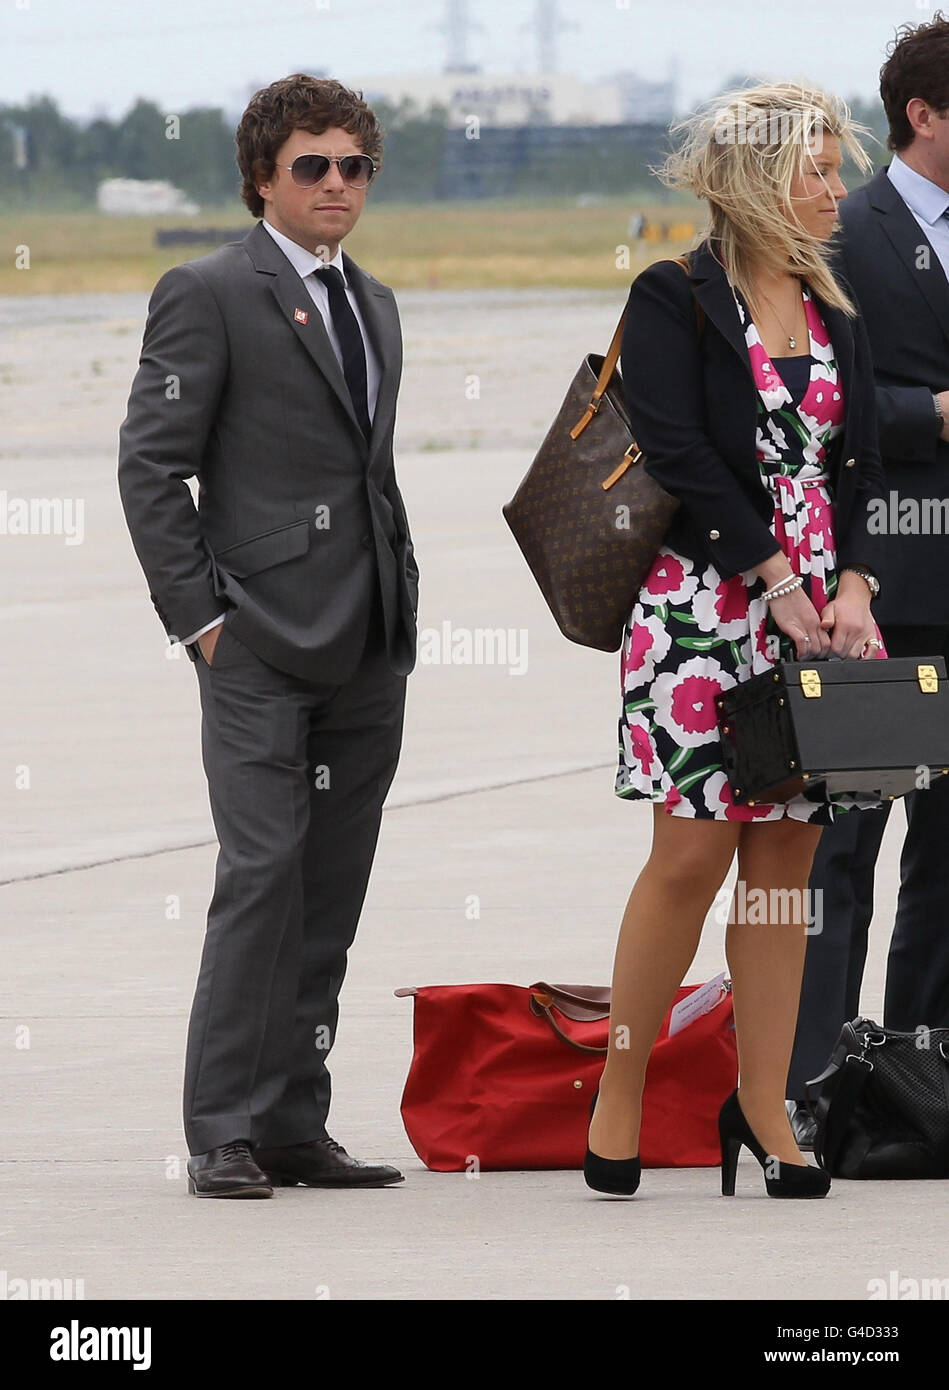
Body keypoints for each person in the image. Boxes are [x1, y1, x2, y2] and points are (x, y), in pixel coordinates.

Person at [584, 81, 888, 1199]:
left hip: (820, 620)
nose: (833, 189)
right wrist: (771, 578)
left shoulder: (834, 308)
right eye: (814, 169)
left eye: (833, 166)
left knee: (786, 867)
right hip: (701, 614)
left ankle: (764, 1102)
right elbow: (675, 449)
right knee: (690, 857)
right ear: (760, 182)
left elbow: (864, 469)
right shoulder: (675, 297)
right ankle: (619, 1090)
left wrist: (852, 581)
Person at [118, 75, 419, 1198]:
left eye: (355, 166)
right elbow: (152, 466)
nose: (337, 184)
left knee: (332, 886)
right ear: (262, 177)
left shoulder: (374, 299)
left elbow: (365, 472)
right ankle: (223, 1128)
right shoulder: (207, 291)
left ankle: (297, 1118)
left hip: (367, 642)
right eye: (313, 165)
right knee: (263, 873)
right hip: (256, 644)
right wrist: (201, 623)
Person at [788, 14, 949, 1147]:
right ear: (923, 115)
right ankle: (806, 1088)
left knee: (946, 860)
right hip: (873, 582)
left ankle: (920, 1087)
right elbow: (808, 402)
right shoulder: (845, 229)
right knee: (841, 847)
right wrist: (931, 413)